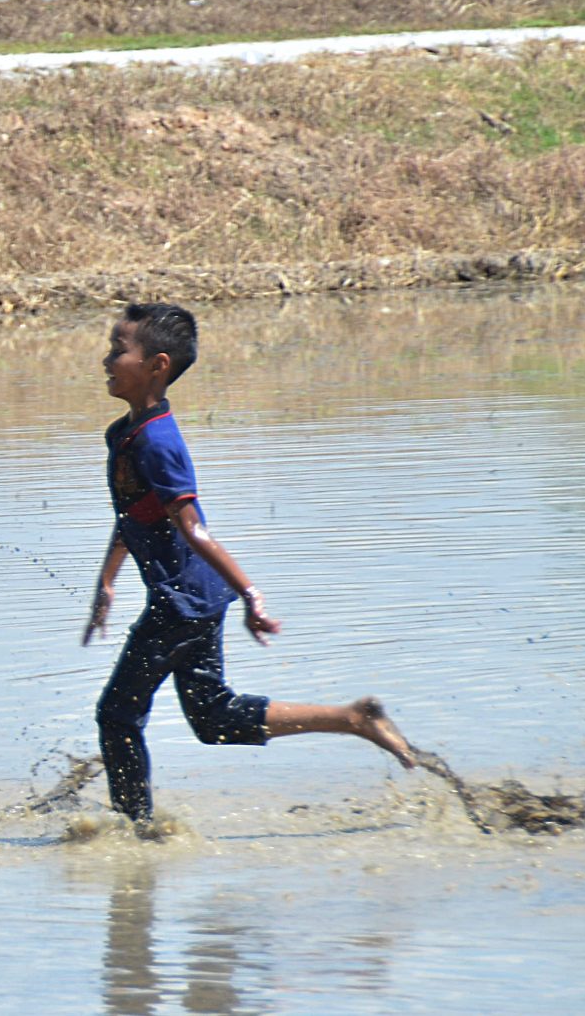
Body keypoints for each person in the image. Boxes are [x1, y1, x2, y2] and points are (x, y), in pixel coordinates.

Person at [82, 301, 415, 829]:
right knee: (214, 720)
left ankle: (135, 836)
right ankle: (354, 718)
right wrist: (106, 584)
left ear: (157, 365)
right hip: (192, 597)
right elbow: (133, 514)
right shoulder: (123, 434)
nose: (105, 359)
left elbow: (192, 528)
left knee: (117, 715)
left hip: (182, 603)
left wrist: (251, 594)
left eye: (118, 350)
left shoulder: (158, 442)